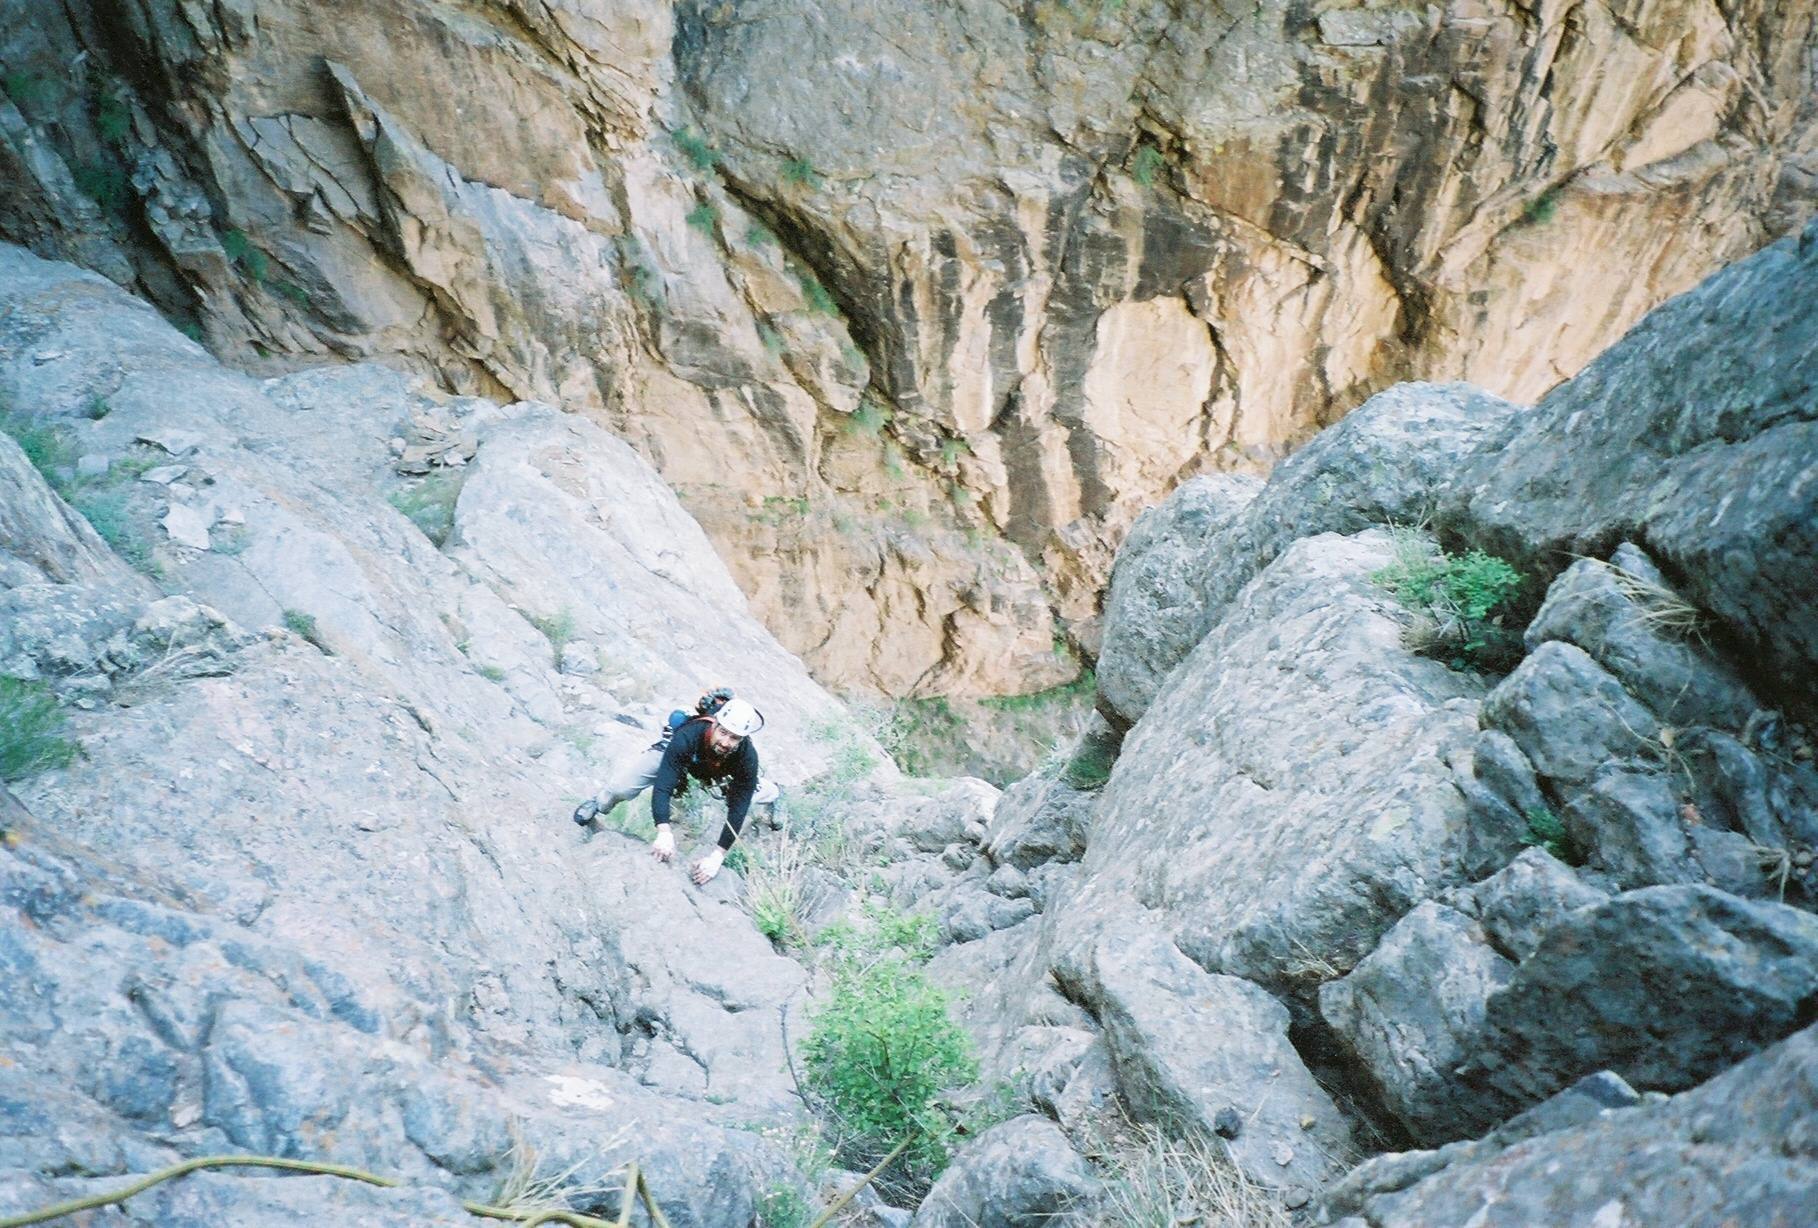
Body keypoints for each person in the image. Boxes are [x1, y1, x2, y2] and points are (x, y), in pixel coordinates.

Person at [572, 692, 777, 884]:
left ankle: (777, 794)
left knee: (753, 794)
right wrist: (664, 830)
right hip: (681, 756)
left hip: (719, 772)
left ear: (742, 739)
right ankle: (598, 803)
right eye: (723, 732)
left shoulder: (746, 756)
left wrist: (717, 856)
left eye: (734, 738)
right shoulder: (690, 734)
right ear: (715, 724)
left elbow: (738, 809)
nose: (725, 742)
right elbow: (663, 785)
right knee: (621, 787)